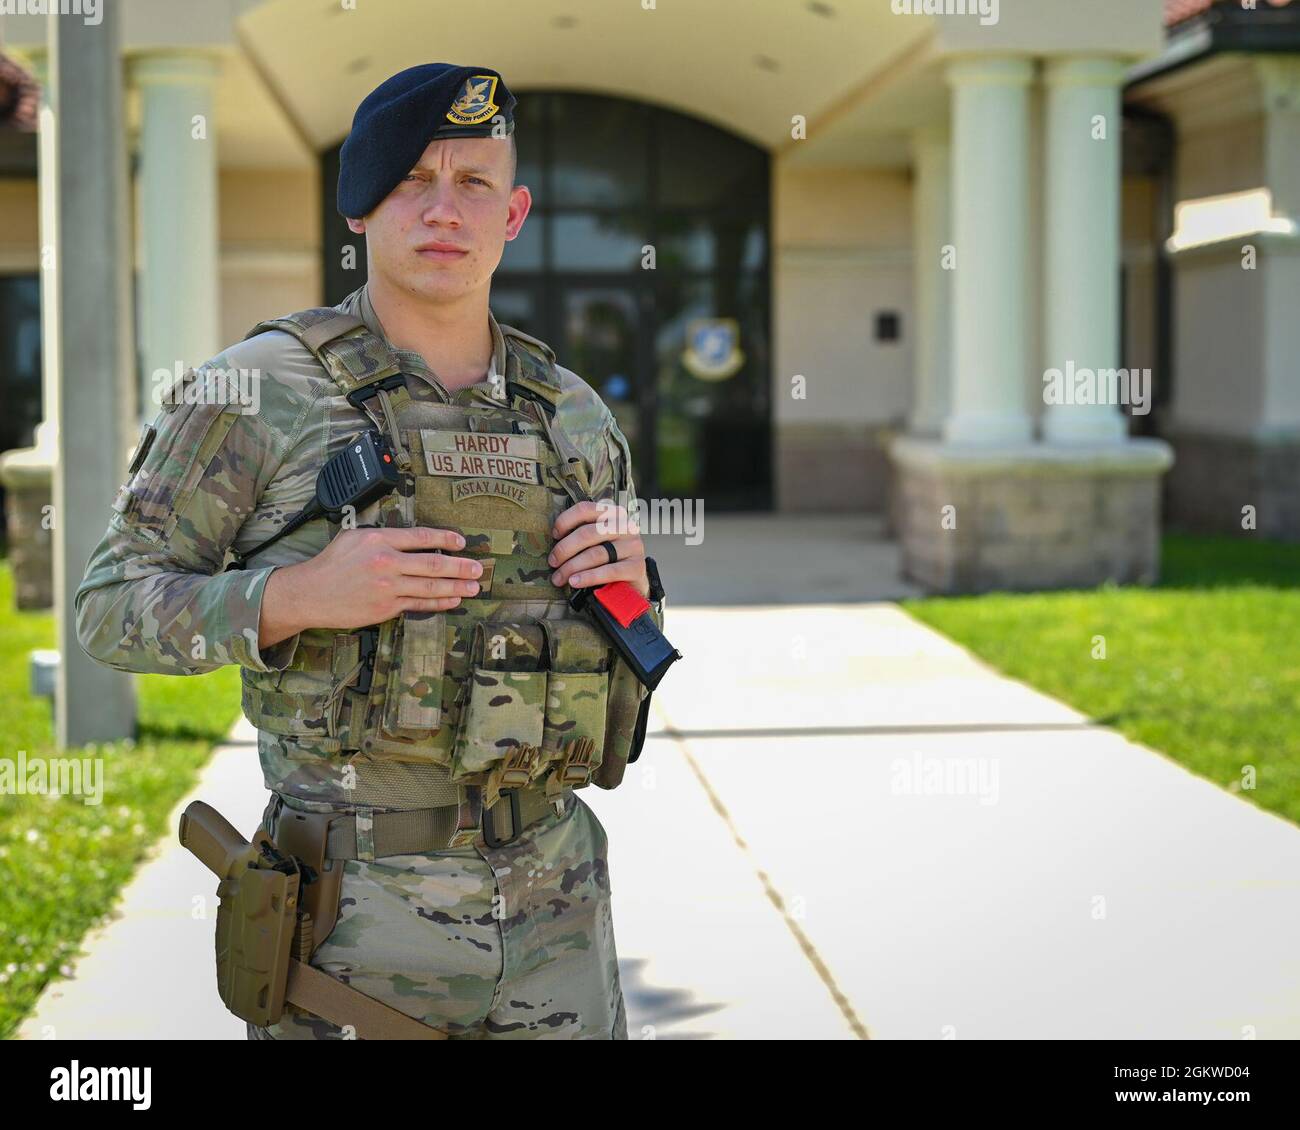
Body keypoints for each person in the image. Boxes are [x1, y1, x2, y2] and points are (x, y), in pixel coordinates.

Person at [75, 63, 667, 1040]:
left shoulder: (574, 414)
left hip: (559, 907)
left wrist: (632, 589)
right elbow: (109, 604)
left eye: (473, 182)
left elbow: (620, 652)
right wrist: (294, 594)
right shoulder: (254, 391)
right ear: (358, 208)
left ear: (513, 212)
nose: (444, 210)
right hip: (353, 924)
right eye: (409, 181)